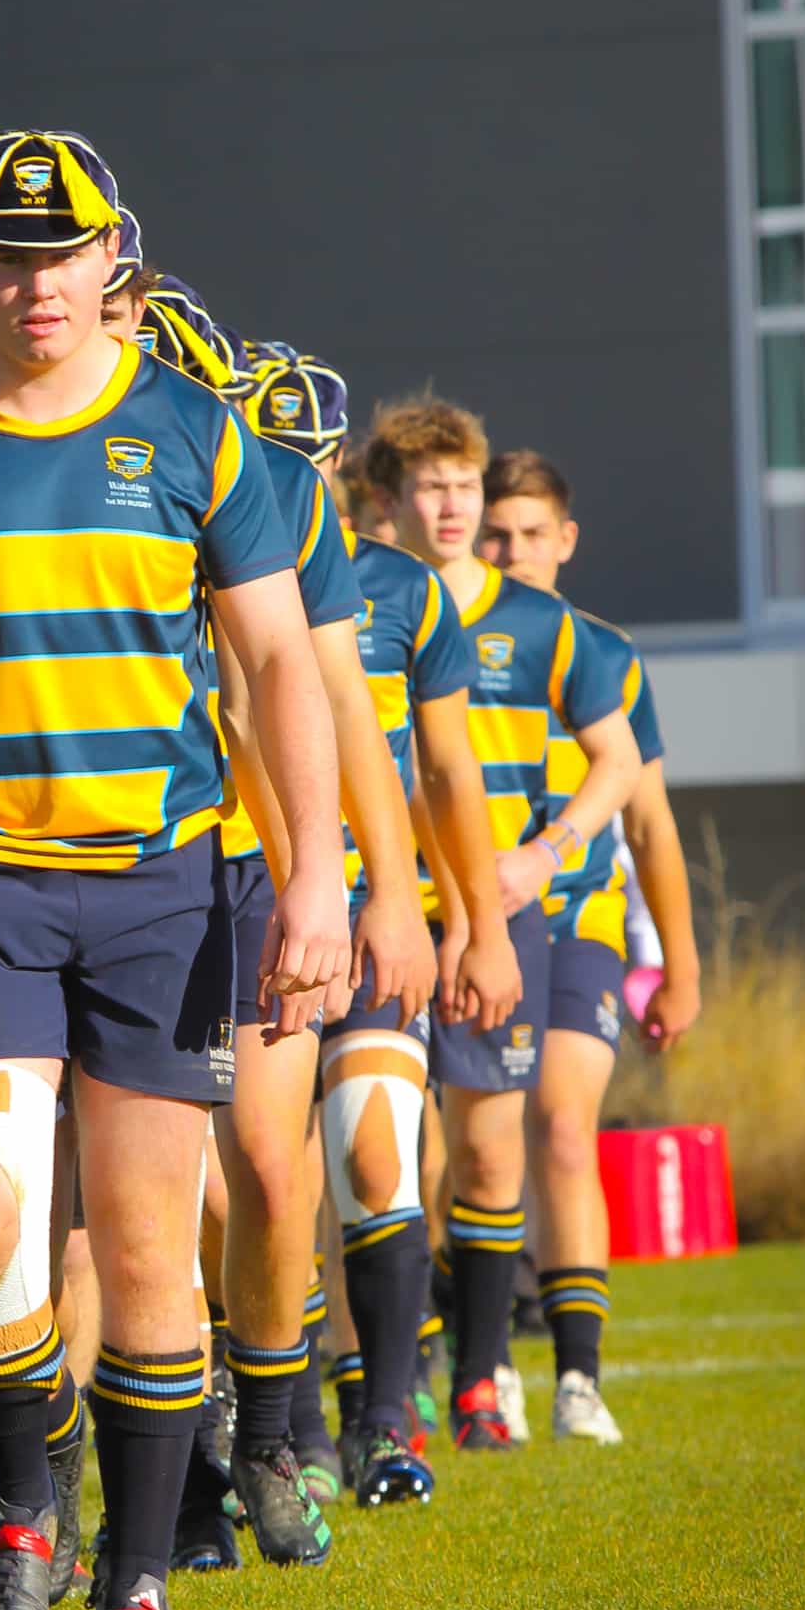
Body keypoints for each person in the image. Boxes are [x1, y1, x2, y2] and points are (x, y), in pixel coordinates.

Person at [0, 131, 351, 1610]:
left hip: (162, 898)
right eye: (1, 252)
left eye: (58, 251)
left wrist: (312, 873)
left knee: (141, 1250)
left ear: (113, 255)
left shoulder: (194, 434)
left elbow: (275, 667)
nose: (32, 281)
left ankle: (133, 1588)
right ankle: (25, 1514)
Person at [250, 359, 522, 1504]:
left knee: (373, 1151)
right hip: (237, 914)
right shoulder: (182, 576)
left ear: (336, 472)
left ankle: (384, 1423)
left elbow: (442, 774)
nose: (292, 479)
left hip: (370, 917)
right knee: (261, 1186)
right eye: (271, 456)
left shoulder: (400, 592)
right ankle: (285, 1422)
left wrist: (467, 921)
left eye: (309, 459)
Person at [362, 396, 640, 1452]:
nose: (450, 505)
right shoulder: (359, 603)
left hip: (489, 918)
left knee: (487, 1155)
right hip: (381, 907)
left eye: (464, 486)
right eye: (430, 487)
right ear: (389, 499)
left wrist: (543, 849)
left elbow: (617, 762)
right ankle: (389, 1384)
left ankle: (485, 1380)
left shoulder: (542, 623)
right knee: (384, 1155)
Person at [201, 334, 434, 1555]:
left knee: (275, 1163)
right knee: (145, 1203)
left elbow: (345, 710)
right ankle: (182, 1468)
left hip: (261, 874)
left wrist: (378, 889)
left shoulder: (273, 494)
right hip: (99, 868)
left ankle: (277, 1432)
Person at [479, 449, 702, 1441]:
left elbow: (649, 823)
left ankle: (577, 1378)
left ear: (567, 541)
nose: (513, 552)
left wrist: (683, 968)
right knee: (468, 1149)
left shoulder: (603, 651)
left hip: (578, 920)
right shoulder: (433, 634)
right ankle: (483, 1370)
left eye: (533, 534)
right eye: (497, 533)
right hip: (471, 925)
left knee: (565, 1129)